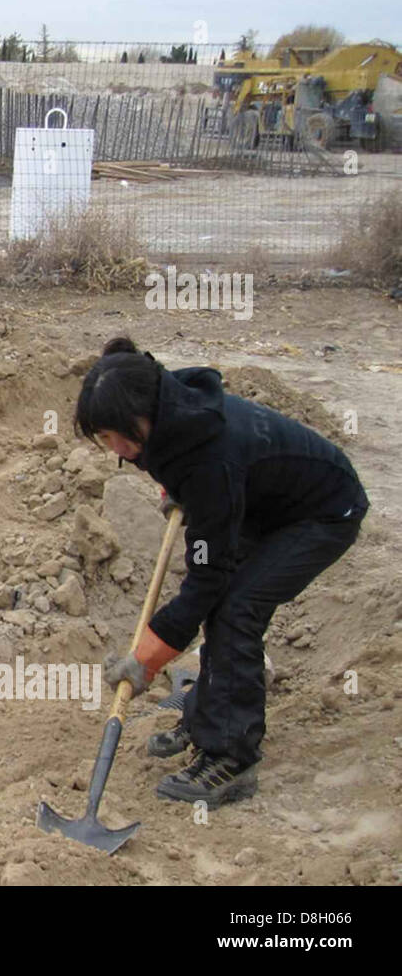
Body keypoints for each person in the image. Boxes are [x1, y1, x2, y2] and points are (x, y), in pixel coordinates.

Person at [74, 337, 368, 807]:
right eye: (104, 438)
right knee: (225, 601)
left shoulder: (210, 457)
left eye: (115, 436)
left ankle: (232, 758)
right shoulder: (169, 412)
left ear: (144, 412)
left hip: (325, 513)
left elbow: (205, 580)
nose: (115, 449)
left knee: (234, 608)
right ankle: (206, 716)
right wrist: (180, 487)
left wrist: (147, 657)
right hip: (262, 502)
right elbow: (183, 467)